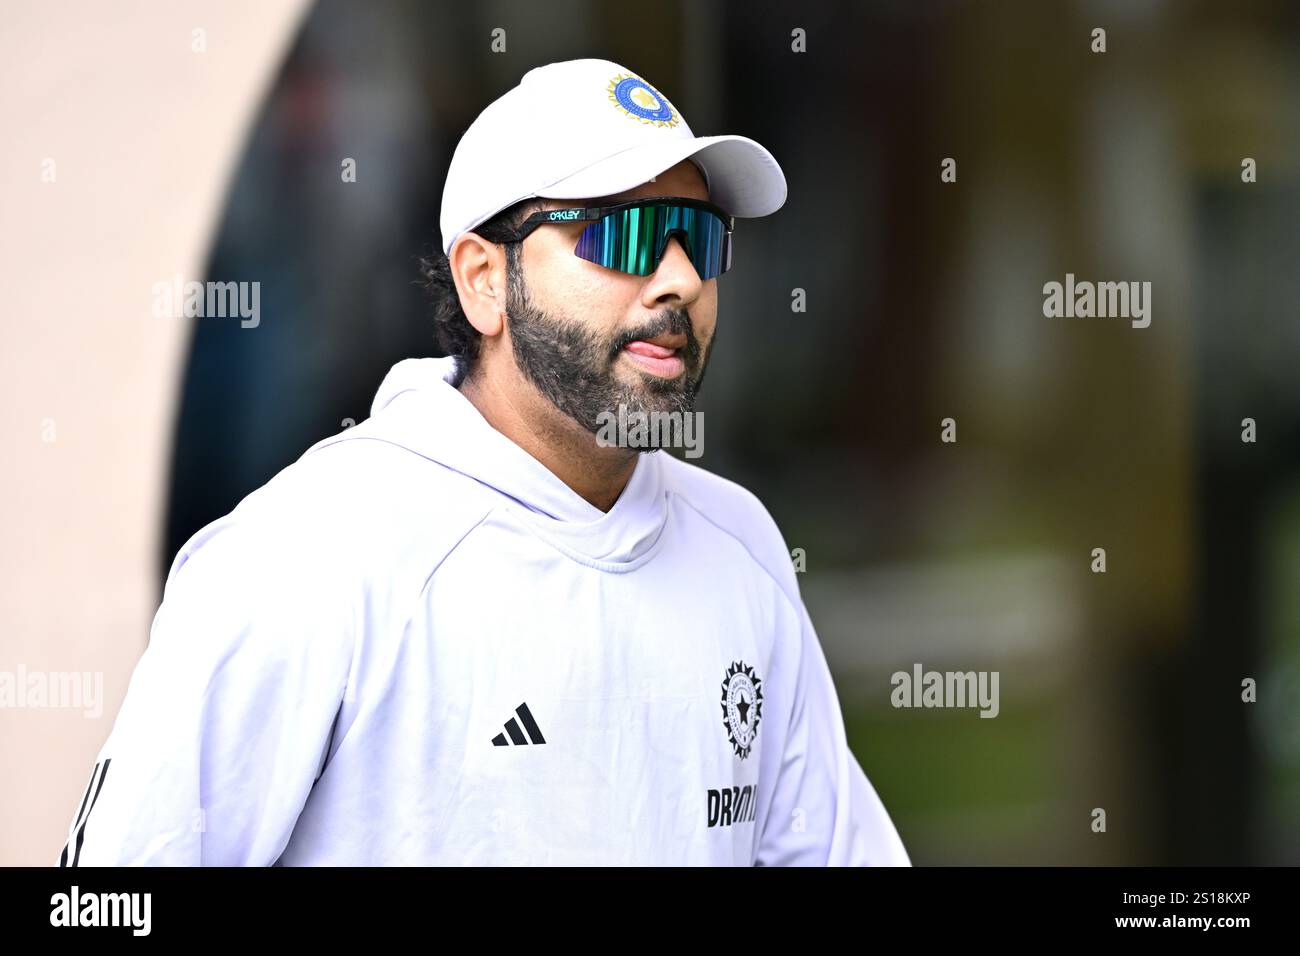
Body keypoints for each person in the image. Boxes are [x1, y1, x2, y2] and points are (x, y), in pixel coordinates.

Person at [58, 58, 909, 866]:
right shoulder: (312, 555)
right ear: (483, 280)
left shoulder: (740, 547)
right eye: (626, 234)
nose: (678, 279)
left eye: (699, 236)